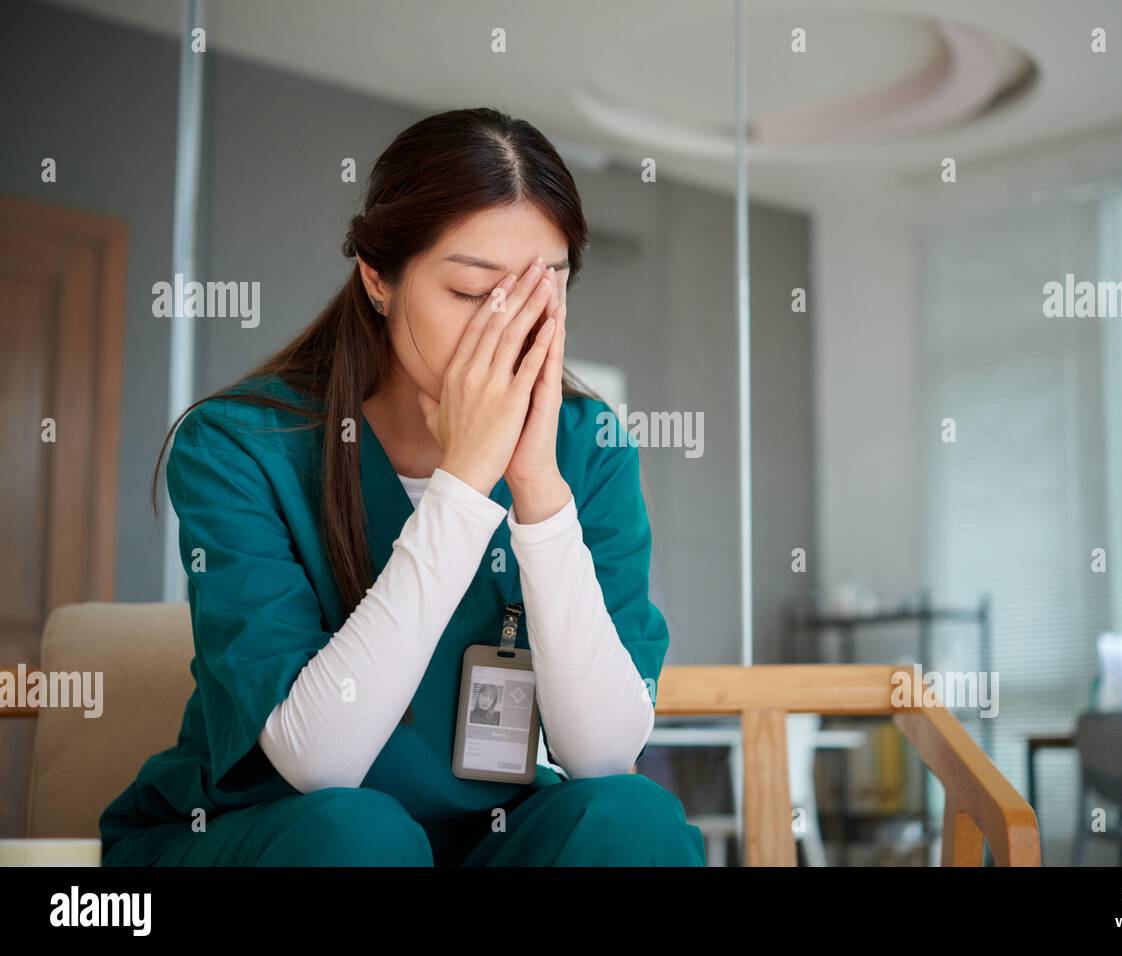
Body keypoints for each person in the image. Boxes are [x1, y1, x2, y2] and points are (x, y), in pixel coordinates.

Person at [98, 107, 706, 867]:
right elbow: (319, 764)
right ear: (378, 279)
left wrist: (538, 491)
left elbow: (602, 756)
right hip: (283, 834)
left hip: (487, 838)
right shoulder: (240, 446)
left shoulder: (589, 450)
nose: (505, 331)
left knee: (633, 818)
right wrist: (463, 488)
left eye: (538, 296)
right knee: (360, 838)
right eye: (469, 292)